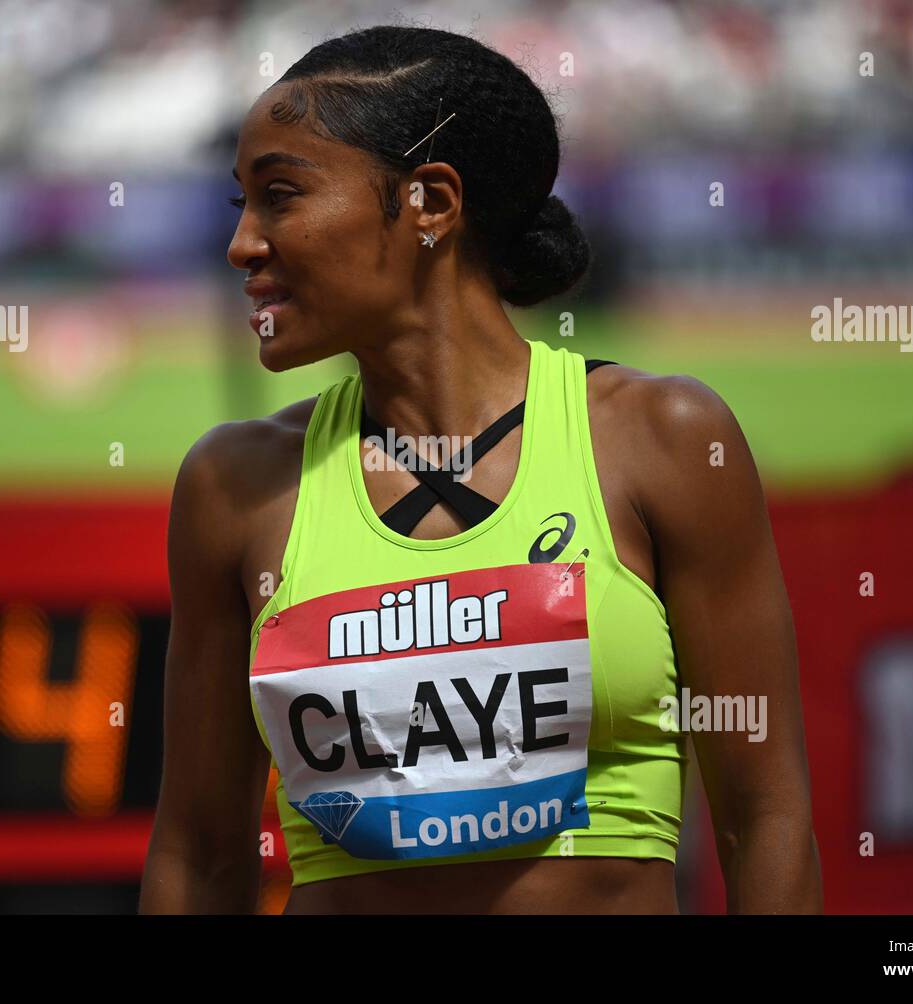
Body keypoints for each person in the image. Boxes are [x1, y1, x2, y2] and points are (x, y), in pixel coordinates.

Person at [138, 24, 821, 915]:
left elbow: (763, 817)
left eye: (279, 197)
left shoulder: (666, 440)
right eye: (241, 204)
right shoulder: (232, 487)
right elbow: (198, 857)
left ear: (430, 201)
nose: (242, 243)